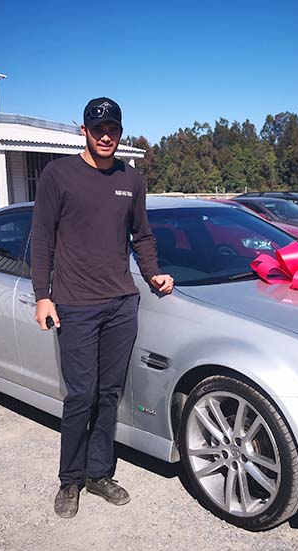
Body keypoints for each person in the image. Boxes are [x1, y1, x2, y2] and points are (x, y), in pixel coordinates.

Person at [30, 97, 174, 519]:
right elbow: (42, 239)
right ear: (84, 131)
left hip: (120, 304)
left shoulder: (132, 179)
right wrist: (43, 295)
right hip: (74, 305)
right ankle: (69, 480)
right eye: (98, 129)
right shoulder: (58, 176)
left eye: (113, 128)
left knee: (109, 393)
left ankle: (98, 474)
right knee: (81, 395)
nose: (106, 135)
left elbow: (142, 236)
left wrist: (152, 273)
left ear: (121, 131)